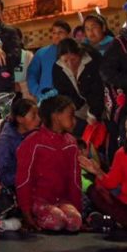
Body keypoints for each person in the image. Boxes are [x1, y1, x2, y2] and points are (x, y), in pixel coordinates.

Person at [15, 95, 83, 232]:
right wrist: (26, 213)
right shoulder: (33, 142)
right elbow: (24, 180)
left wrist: (78, 209)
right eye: (71, 115)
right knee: (57, 221)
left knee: (74, 222)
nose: (74, 121)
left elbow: (75, 180)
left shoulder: (71, 143)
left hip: (61, 200)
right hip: (38, 200)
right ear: (56, 116)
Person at [50, 39, 105, 138]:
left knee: (101, 130)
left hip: (102, 102)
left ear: (79, 54)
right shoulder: (58, 68)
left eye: (73, 59)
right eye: (65, 61)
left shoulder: (92, 61)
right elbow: (64, 93)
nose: (70, 64)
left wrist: (93, 114)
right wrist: (72, 109)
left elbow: (98, 90)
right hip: (78, 107)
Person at [0, 96, 40, 190]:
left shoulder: (33, 134)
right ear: (20, 119)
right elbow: (4, 178)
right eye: (34, 116)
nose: (39, 119)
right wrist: (32, 174)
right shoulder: (4, 143)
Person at [27, 20, 71, 100]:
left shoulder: (73, 52)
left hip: (69, 97)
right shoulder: (42, 53)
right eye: (54, 33)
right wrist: (36, 91)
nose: (57, 36)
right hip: (46, 97)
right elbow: (32, 73)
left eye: (60, 32)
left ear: (68, 34)